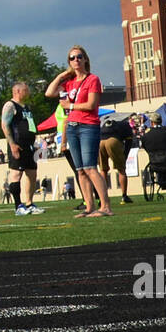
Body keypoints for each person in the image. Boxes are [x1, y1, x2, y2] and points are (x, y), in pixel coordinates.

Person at [45, 46, 113, 217]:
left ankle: (105, 206)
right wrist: (61, 75)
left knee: (90, 167)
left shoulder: (92, 79)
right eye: (72, 58)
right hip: (72, 127)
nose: (76, 60)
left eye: (79, 57)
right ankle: (89, 206)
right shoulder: (69, 82)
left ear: (85, 59)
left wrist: (71, 105)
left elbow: (91, 105)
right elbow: (49, 92)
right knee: (80, 169)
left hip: (88, 126)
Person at [0, 82, 43, 216]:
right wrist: (12, 144)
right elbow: (5, 125)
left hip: (29, 145)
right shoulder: (10, 106)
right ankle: (18, 206)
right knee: (16, 174)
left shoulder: (26, 107)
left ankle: (29, 203)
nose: (28, 92)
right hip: (18, 144)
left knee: (32, 173)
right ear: (18, 91)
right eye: (26, 90)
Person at [98, 114, 136, 205]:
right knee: (121, 169)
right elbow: (129, 141)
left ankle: (103, 197)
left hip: (100, 141)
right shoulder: (125, 124)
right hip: (113, 140)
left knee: (103, 170)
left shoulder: (104, 122)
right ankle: (124, 196)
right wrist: (125, 156)